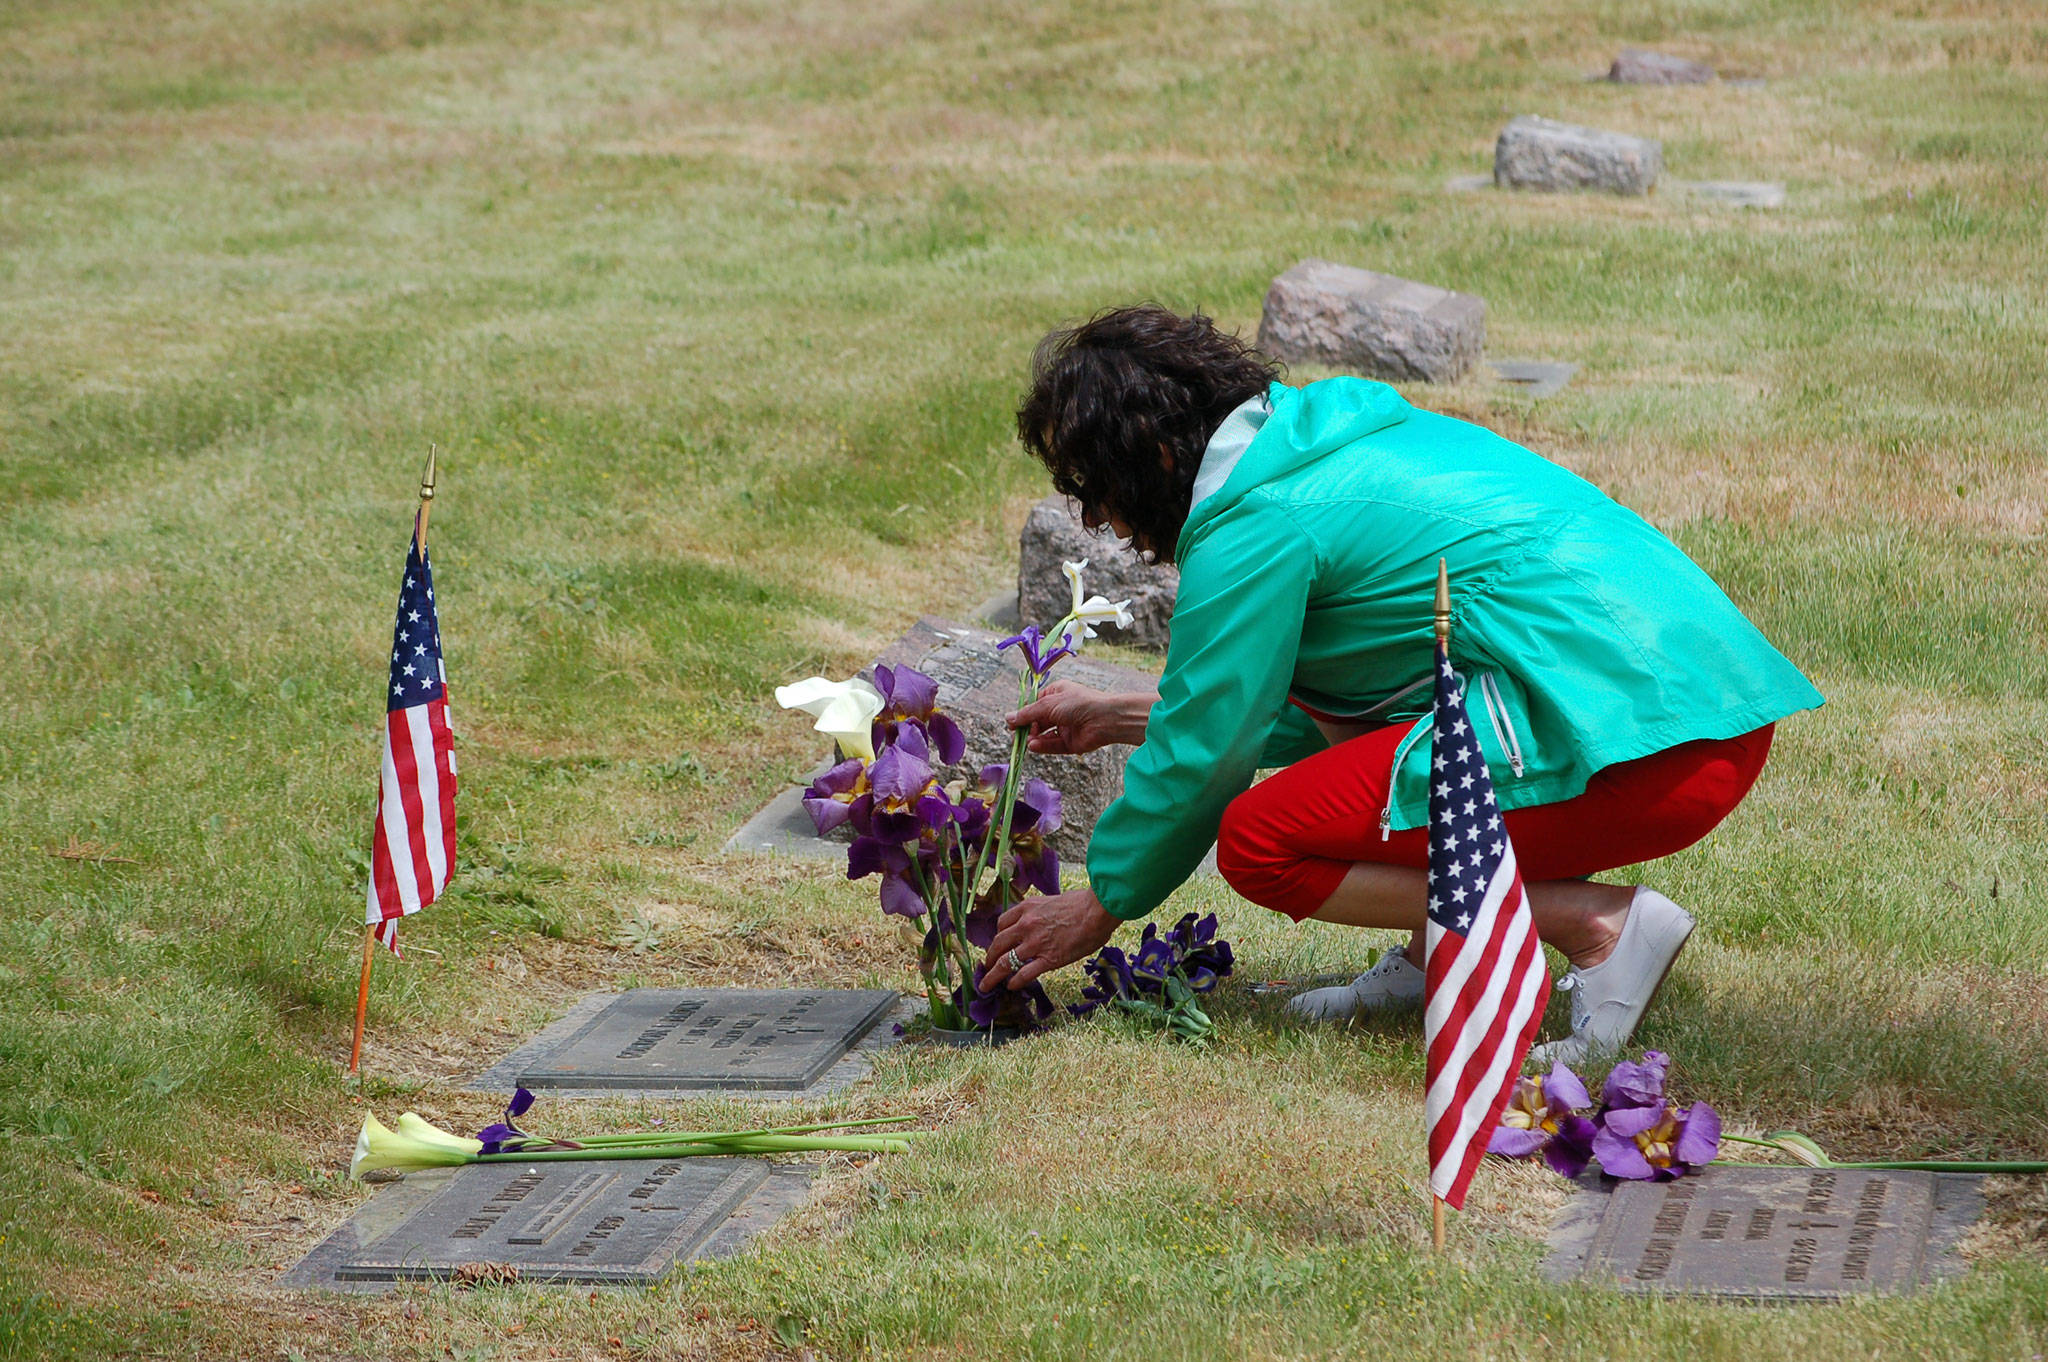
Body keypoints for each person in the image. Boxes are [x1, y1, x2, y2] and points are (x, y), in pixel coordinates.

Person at [977, 304, 1822, 1062]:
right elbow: (1335, 708)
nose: (1096, 521)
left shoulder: (1255, 522)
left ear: (1156, 453)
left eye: (1093, 489)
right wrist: (1125, 716)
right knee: (1340, 785)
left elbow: (1211, 750)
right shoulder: (1323, 443)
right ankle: (1435, 958)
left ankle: (1598, 928)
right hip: (1701, 713)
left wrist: (1101, 905)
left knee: (1261, 843)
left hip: (1650, 750)